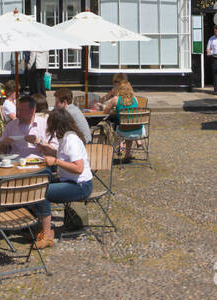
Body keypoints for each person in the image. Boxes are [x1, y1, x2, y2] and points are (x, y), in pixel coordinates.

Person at [30, 109, 95, 248]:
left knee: (43, 192)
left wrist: (56, 161)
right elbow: (65, 155)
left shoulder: (71, 139)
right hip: (72, 181)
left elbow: (78, 168)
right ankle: (38, 223)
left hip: (81, 185)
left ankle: (47, 235)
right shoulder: (67, 137)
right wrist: (49, 150)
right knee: (38, 183)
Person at [109, 81, 143, 162]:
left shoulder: (116, 99)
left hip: (123, 130)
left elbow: (106, 110)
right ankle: (128, 154)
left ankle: (114, 149)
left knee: (114, 125)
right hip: (139, 130)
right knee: (129, 125)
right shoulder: (135, 99)